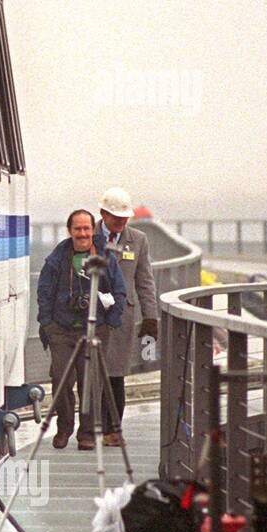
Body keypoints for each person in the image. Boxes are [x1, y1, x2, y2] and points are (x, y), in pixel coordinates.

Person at [36, 208, 127, 450]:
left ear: (92, 229)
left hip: (96, 328)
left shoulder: (106, 256)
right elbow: (43, 292)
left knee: (91, 382)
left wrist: (111, 319)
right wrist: (47, 324)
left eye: (87, 228)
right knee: (60, 379)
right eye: (77, 228)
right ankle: (64, 427)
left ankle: (86, 433)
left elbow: (120, 289)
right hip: (62, 329)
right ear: (70, 231)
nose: (83, 233)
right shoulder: (57, 258)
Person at [95, 187, 158, 445]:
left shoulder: (138, 239)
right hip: (93, 313)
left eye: (125, 218)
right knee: (92, 371)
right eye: (116, 217)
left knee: (116, 373)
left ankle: (113, 430)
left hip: (123, 316)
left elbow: (145, 281)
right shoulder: (89, 235)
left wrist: (150, 317)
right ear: (103, 214)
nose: (122, 222)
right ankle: (91, 428)